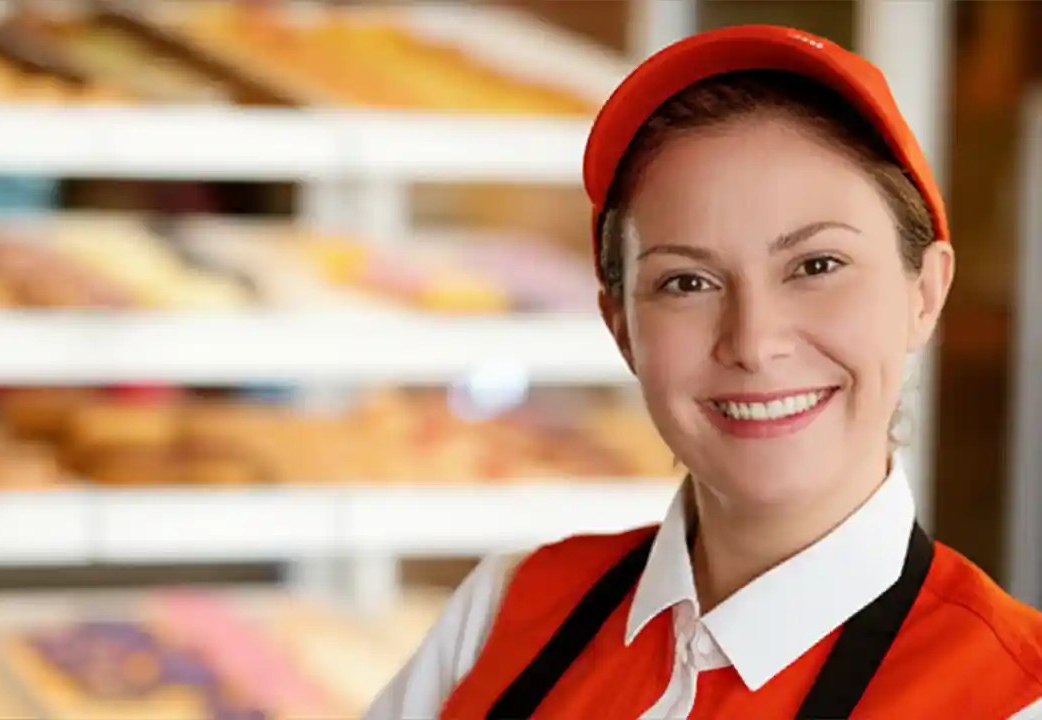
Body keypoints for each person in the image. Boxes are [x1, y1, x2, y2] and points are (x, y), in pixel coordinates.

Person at [365, 24, 1042, 720]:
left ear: (924, 293)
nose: (752, 341)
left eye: (816, 266)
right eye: (687, 282)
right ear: (621, 325)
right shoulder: (506, 611)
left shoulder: (1014, 695)